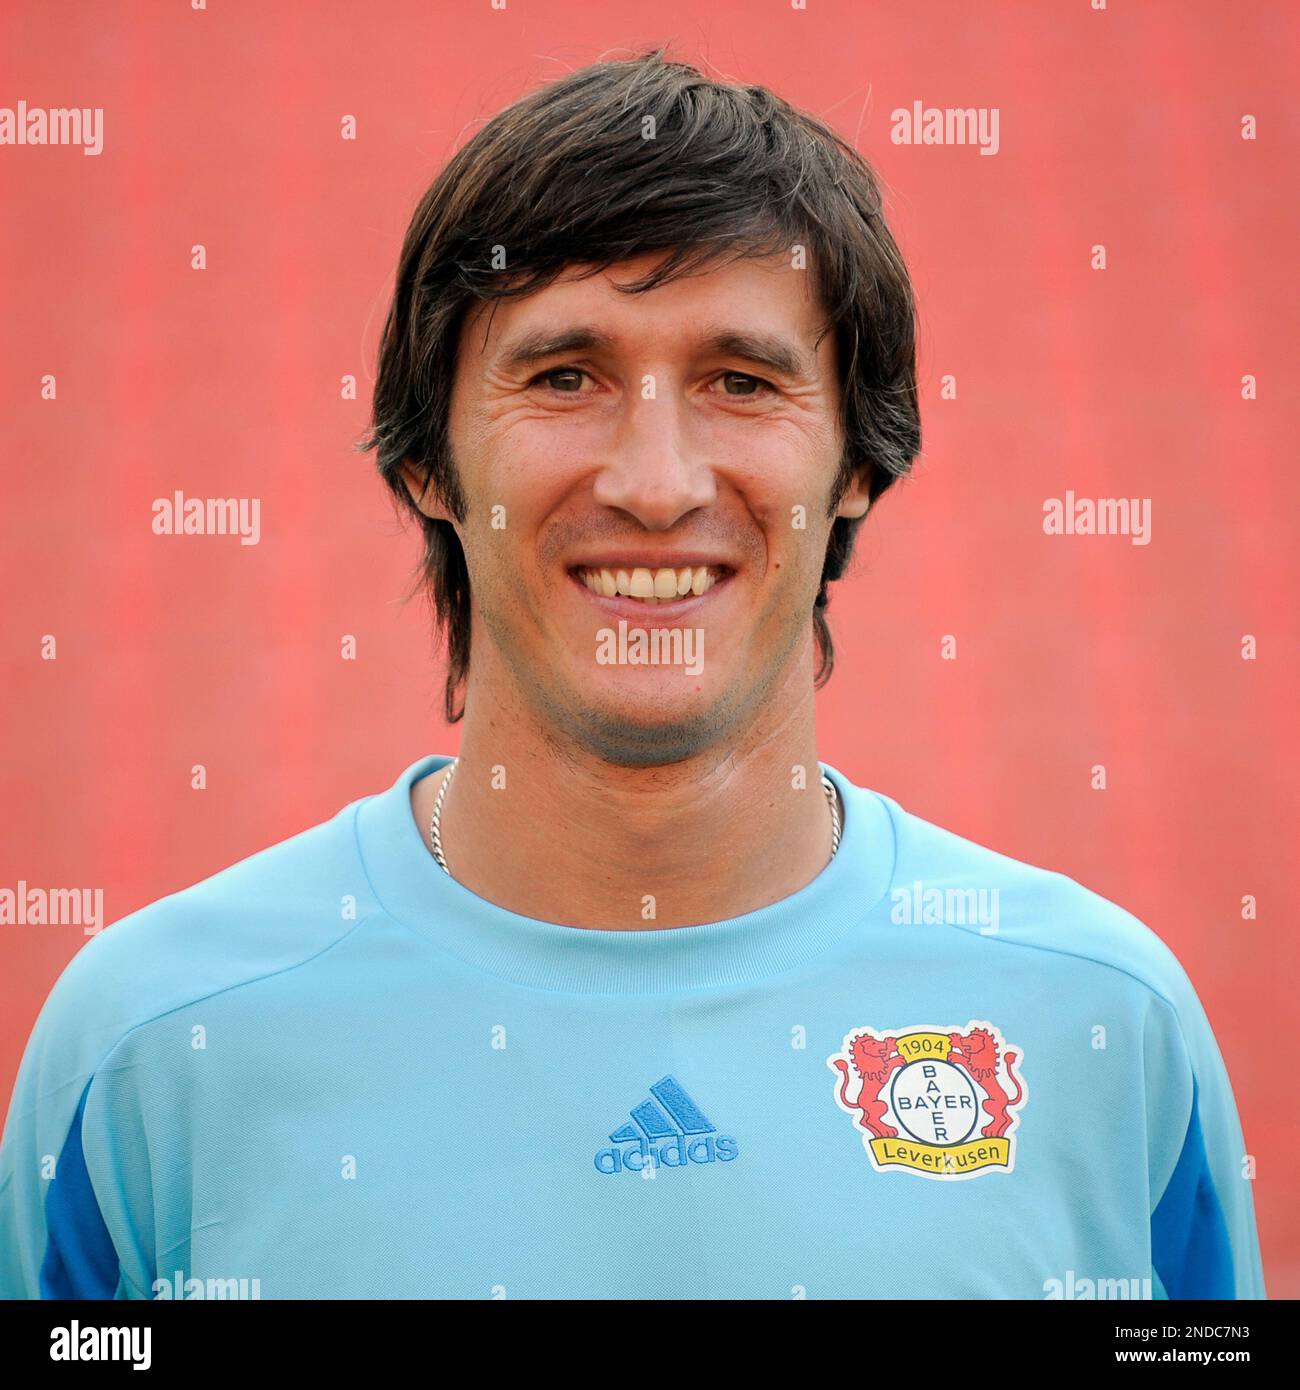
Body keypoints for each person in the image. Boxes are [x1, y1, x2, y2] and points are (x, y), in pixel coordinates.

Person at [0, 49, 1265, 1300]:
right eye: (565, 377)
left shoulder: (1104, 1021)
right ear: (428, 462)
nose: (655, 483)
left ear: (858, 464)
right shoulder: (153, 1044)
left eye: (739, 382)